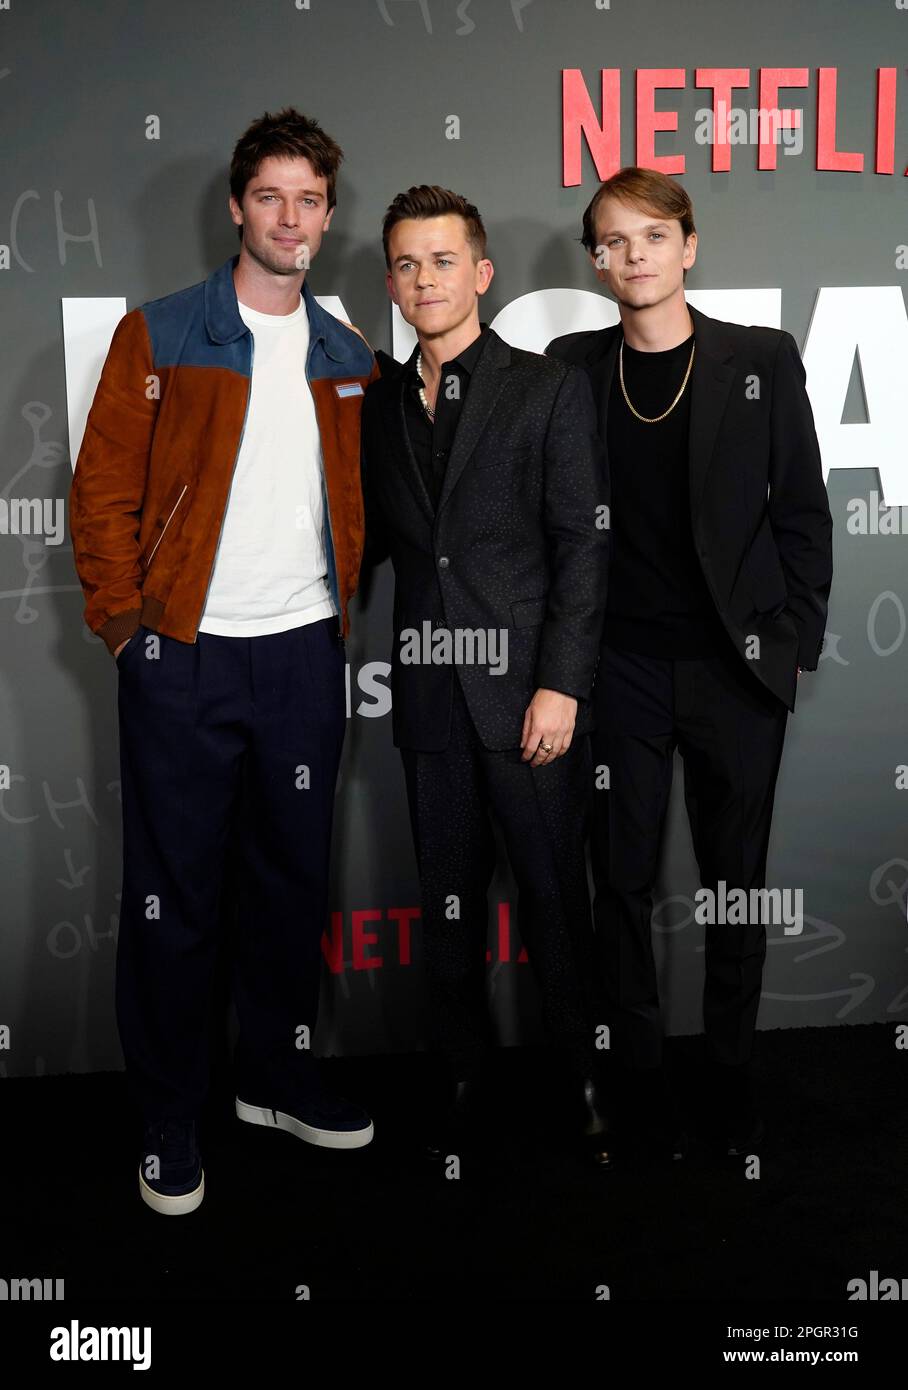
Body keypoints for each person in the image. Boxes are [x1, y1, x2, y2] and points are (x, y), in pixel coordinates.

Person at [69, 107, 377, 1215]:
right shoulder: (159, 335)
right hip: (184, 658)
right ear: (236, 206)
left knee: (291, 887)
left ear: (327, 219)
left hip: (302, 658)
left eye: (309, 200)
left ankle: (276, 1077)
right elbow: (100, 497)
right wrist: (127, 633)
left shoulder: (349, 356)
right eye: (270, 196)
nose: (289, 217)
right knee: (174, 898)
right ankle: (167, 1114)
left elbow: (365, 507)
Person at [546, 167, 833, 1162]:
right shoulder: (571, 366)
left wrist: (788, 639)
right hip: (616, 665)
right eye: (612, 242)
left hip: (733, 668)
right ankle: (634, 1076)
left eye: (650, 236)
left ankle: (726, 1069)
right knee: (617, 882)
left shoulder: (757, 358)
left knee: (732, 884)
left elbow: (799, 511)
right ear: (596, 261)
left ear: (686, 245)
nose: (632, 256)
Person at [360, 185, 612, 1166]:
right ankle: (462, 1074)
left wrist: (562, 683)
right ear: (391, 279)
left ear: (481, 272)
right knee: (448, 905)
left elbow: (583, 550)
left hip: (527, 697)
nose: (426, 279)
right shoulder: (377, 402)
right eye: (408, 264)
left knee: (555, 901)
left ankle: (580, 1078)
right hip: (428, 695)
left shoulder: (542, 387)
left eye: (443, 260)